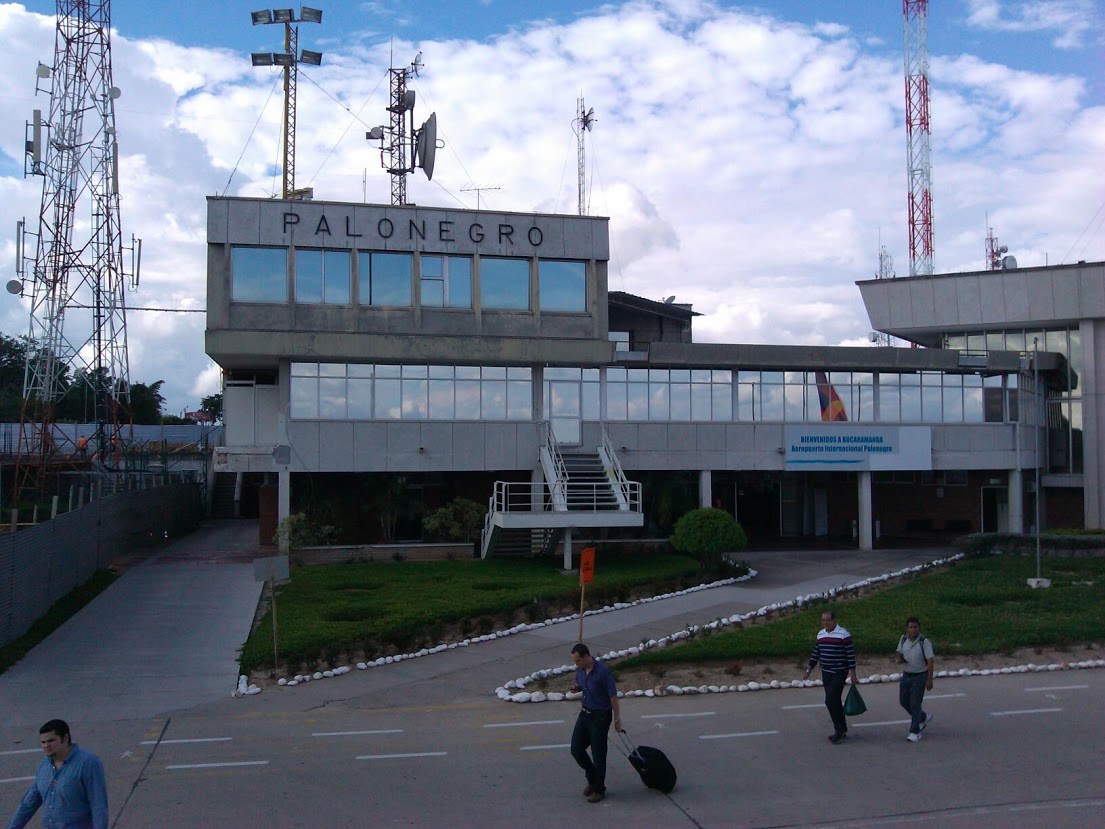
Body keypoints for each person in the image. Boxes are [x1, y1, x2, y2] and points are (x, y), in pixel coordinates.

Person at [6, 719, 108, 829]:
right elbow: (29, 802)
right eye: (43, 742)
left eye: (51, 741)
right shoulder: (44, 765)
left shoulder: (88, 763)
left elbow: (98, 805)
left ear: (65, 738)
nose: (46, 746)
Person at [568, 643, 622, 803]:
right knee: (576, 749)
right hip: (585, 714)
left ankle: (599, 789)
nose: (575, 664)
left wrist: (618, 720)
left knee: (598, 754)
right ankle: (592, 777)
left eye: (577, 661)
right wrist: (576, 687)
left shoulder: (603, 672)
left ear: (586, 657)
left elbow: (613, 697)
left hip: (600, 716)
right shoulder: (581, 670)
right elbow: (582, 685)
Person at [803, 609, 859, 744]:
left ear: (834, 620)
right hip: (826, 672)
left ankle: (838, 730)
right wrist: (809, 669)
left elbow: (850, 655)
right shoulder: (821, 634)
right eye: (823, 620)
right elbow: (816, 653)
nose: (825, 623)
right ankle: (842, 728)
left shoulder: (843, 634)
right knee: (835, 701)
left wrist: (853, 673)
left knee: (830, 700)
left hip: (839, 672)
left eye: (828, 620)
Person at [897, 616, 935, 742]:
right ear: (907, 629)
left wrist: (929, 680)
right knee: (903, 701)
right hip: (907, 674)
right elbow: (899, 652)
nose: (913, 630)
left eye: (915, 627)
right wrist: (900, 659)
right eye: (911, 627)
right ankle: (922, 717)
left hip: (920, 675)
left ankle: (915, 731)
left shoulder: (924, 641)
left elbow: (930, 661)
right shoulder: (903, 639)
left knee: (915, 703)